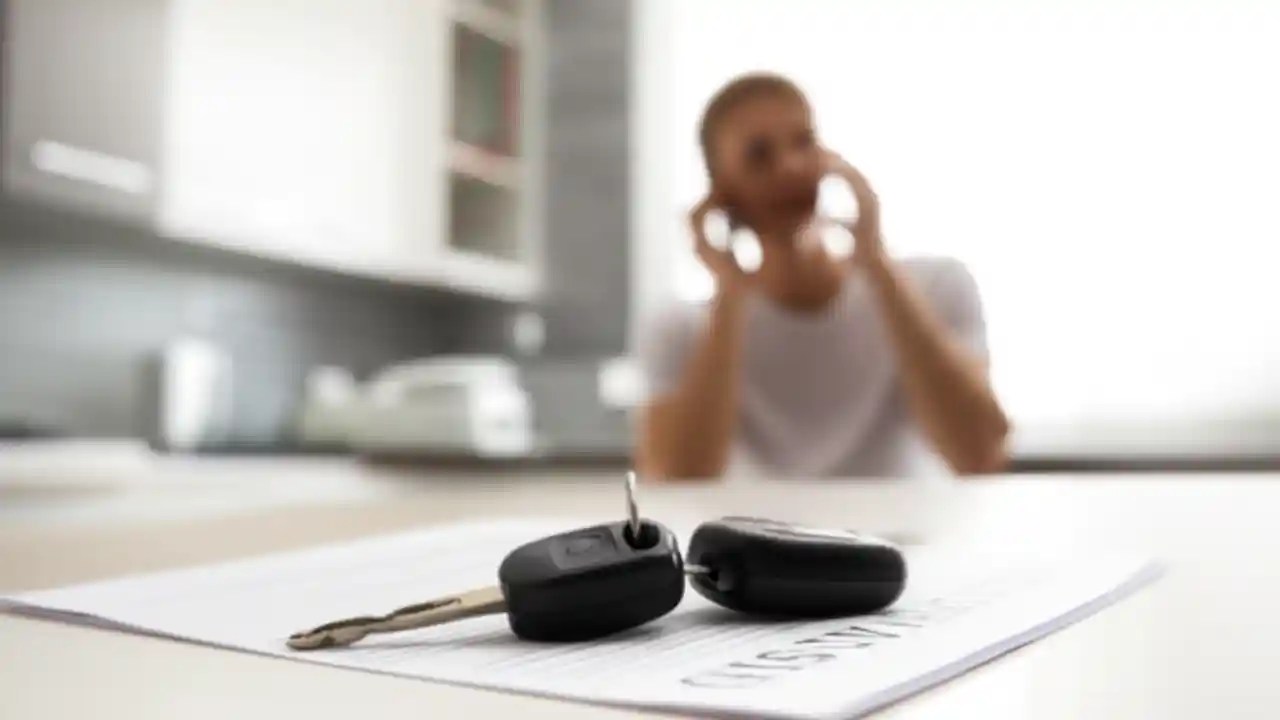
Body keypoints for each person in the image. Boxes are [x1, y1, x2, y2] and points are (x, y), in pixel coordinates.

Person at [635, 73, 1010, 479]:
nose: (790, 166)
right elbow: (675, 479)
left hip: (912, 542)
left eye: (804, 142)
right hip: (759, 544)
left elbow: (981, 453)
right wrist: (730, 295)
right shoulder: (683, 329)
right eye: (759, 155)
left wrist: (877, 265)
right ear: (719, 191)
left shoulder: (937, 286)